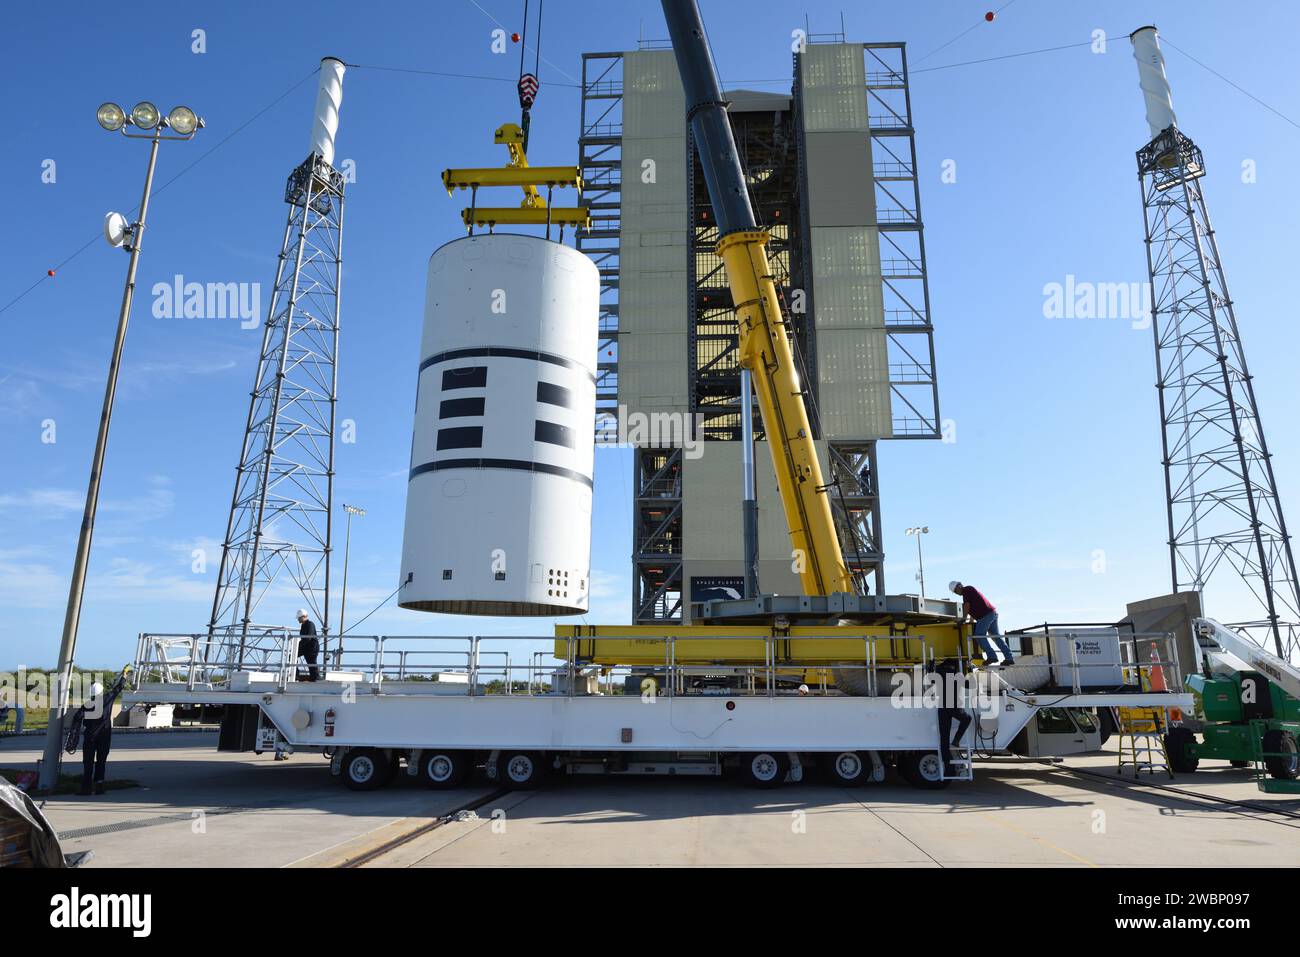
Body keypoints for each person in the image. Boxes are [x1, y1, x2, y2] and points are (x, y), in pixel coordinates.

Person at [950, 580, 1015, 666]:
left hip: (985, 615)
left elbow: (967, 606)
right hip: (991, 613)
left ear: (959, 586)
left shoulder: (967, 590)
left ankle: (992, 656)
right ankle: (1009, 658)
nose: (956, 593)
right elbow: (972, 607)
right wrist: (970, 620)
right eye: (955, 592)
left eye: (955, 591)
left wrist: (963, 619)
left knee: (979, 635)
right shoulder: (969, 592)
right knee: (996, 636)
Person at [78, 682, 112, 796]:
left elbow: (78, 718)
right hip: (104, 737)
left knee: (88, 762)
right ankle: (99, 786)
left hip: (90, 737)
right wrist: (124, 677)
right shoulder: (108, 700)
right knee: (101, 761)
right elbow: (117, 689)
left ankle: (86, 787)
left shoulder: (87, 704)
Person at [296, 609, 320, 682]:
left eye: (299, 618)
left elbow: (308, 638)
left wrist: (298, 646)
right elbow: (305, 639)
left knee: (311, 663)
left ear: (304, 616)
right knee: (292, 656)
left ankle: (315, 678)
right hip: (306, 647)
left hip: (312, 648)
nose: (298, 619)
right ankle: (295, 674)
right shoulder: (304, 625)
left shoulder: (310, 624)